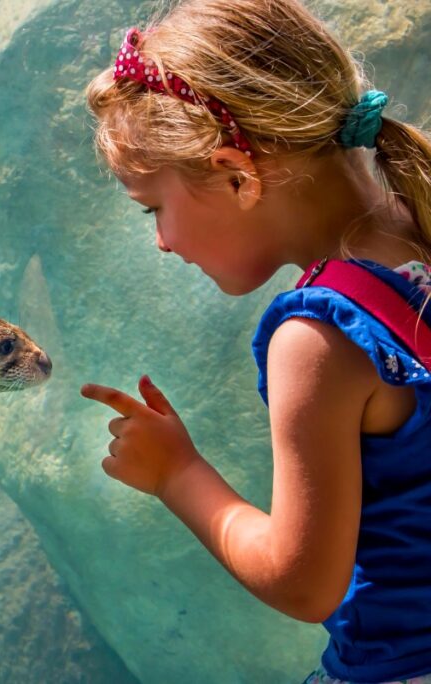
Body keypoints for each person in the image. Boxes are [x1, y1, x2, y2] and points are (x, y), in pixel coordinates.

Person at [79, 1, 431, 682]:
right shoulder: (421, 227)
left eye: (154, 208)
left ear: (237, 175)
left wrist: (177, 473)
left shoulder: (320, 337)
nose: (162, 242)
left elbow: (303, 584)